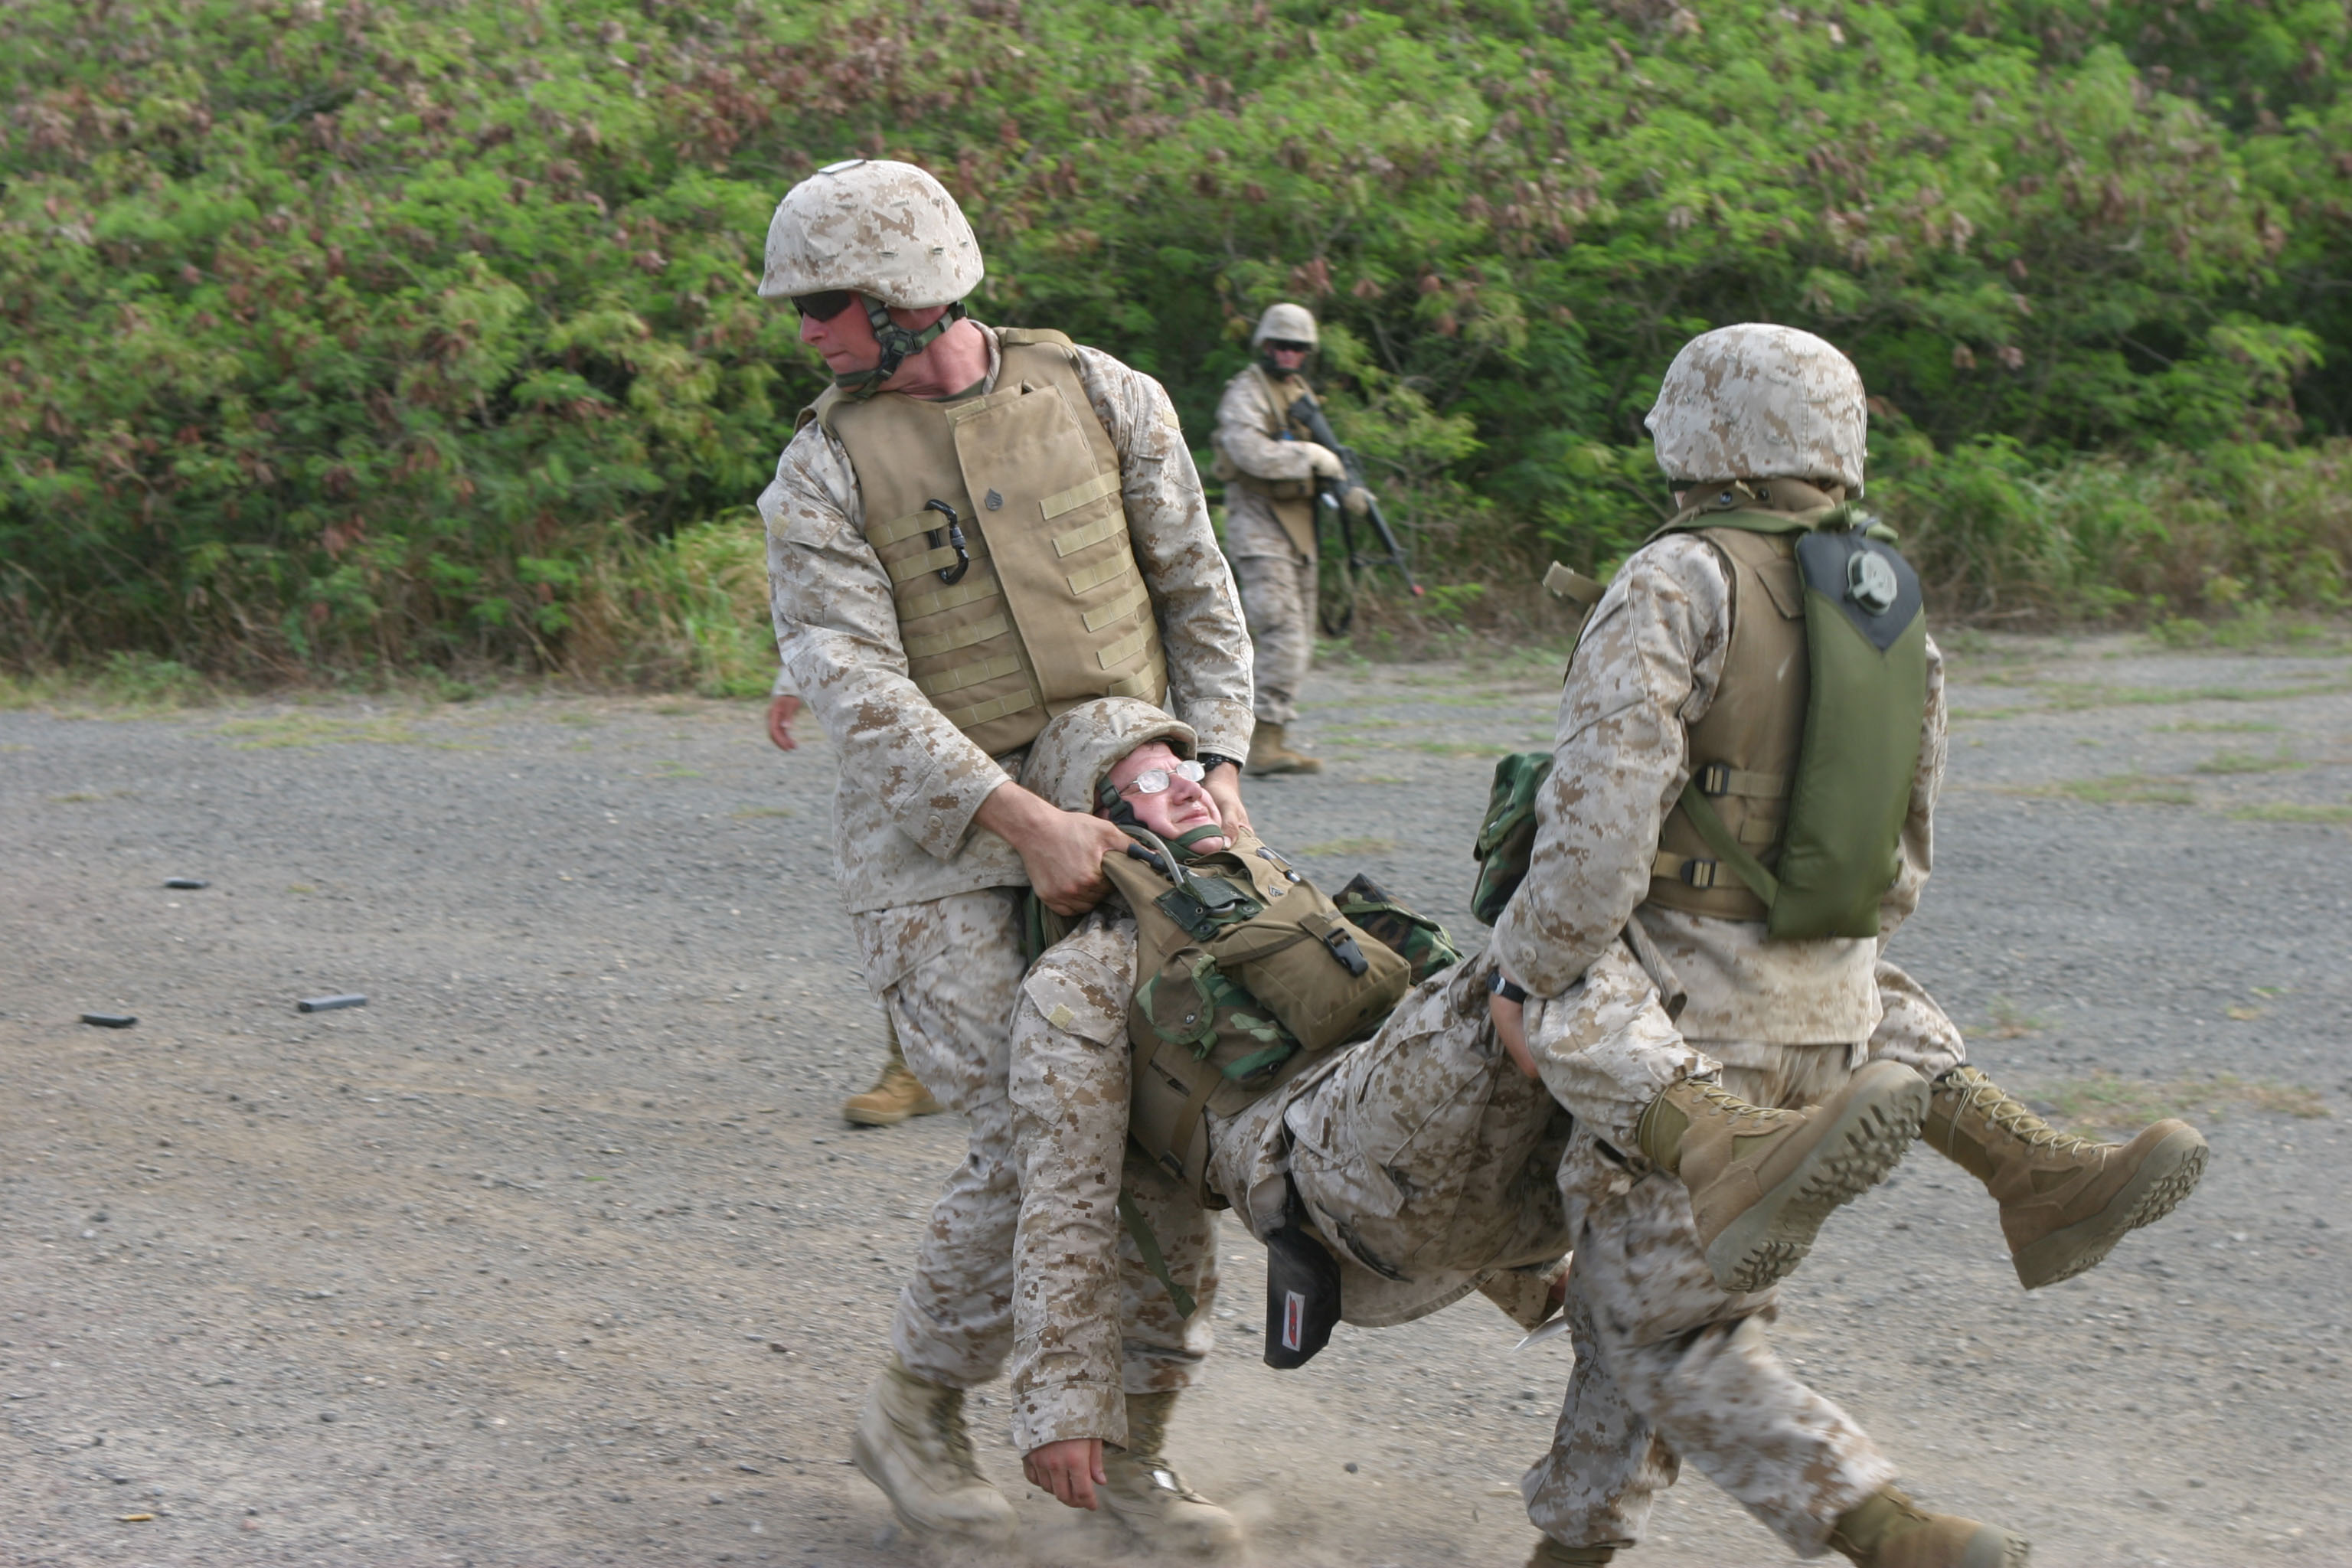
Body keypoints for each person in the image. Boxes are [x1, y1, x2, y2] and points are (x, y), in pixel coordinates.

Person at [1481, 324, 2206, 1566]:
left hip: (1680, 1035)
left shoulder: (1674, 581)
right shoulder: (1885, 601)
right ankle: (1573, 1545)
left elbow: (1595, 845)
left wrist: (1525, 968)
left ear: (1699, 432)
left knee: (1677, 1335)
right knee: (1637, 1288)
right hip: (1831, 1009)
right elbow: (1900, 862)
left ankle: (1888, 1525)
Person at [755, 157, 1254, 1550]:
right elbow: (853, 684)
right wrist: (1018, 820)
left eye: (829, 304)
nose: (809, 333)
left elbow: (1198, 593)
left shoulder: (1104, 395)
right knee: (1045, 1125)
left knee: (1173, 1133)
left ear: (914, 298)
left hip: (1135, 812)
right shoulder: (820, 473)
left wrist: (1217, 767)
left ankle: (1140, 1451)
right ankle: (914, 1409)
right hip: (938, 857)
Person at [1002, 697, 1573, 1558]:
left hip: (1405, 1166)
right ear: (1095, 821)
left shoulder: (1272, 886)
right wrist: (1064, 1408)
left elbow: (1428, 1095)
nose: (1192, 791)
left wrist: (1544, 1280)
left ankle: (1712, 1132)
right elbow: (1066, 1203)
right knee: (1515, 973)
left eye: (1189, 771)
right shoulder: (1083, 978)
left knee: (1541, 1001)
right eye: (1152, 781)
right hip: (1310, 1176)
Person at [766, 667, 946, 1127]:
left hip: (1015, 699)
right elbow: (826, 605)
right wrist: (793, 680)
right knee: (897, 884)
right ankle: (915, 1069)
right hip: (898, 706)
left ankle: (1041, 1070)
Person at [1211, 302, 1372, 776]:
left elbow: (1324, 459)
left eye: (1297, 348)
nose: (1288, 355)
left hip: (1298, 531)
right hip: (1259, 528)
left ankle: (1272, 737)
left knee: (1298, 638)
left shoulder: (1298, 391)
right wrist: (1313, 457)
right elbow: (1249, 452)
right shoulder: (1246, 392)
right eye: (1280, 345)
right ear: (1264, 345)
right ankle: (1258, 745)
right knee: (1282, 635)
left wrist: (1348, 489)